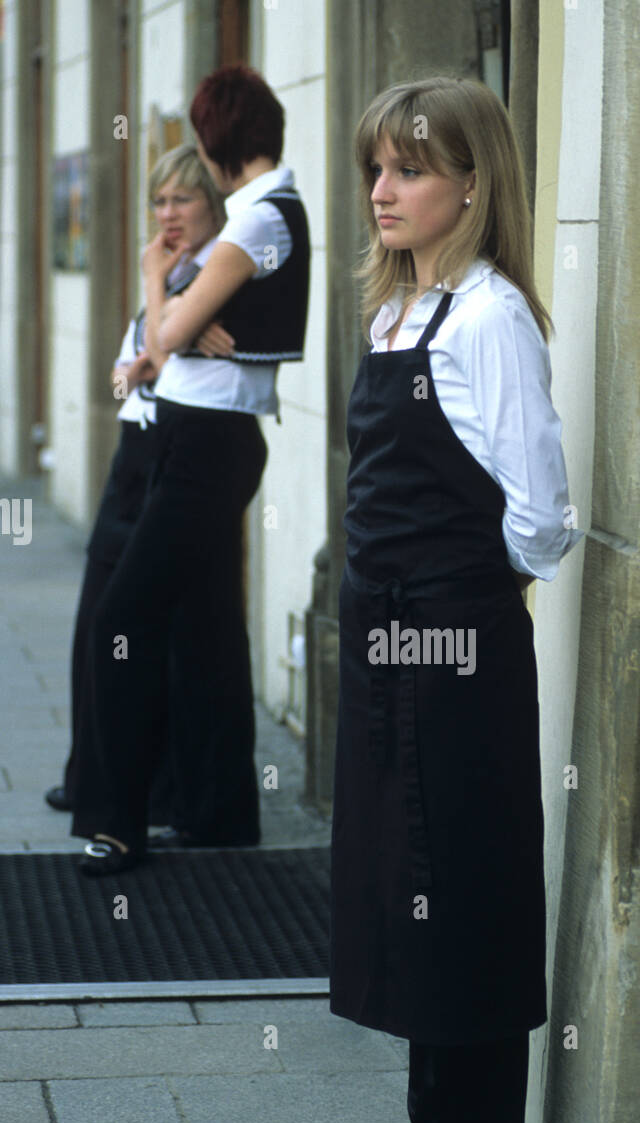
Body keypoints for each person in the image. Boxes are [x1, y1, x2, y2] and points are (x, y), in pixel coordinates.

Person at [329, 75, 584, 1123]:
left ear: (472, 184)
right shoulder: (398, 315)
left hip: (455, 653)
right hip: (387, 655)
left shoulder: (490, 320)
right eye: (378, 167)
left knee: (465, 911)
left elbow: (542, 519)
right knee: (411, 916)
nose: (382, 190)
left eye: (410, 169)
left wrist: (467, 604)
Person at [73, 65, 310, 874]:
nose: (176, 204)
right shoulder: (252, 223)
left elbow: (167, 333)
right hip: (192, 438)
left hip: (205, 448)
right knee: (204, 632)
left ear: (214, 150)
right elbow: (161, 345)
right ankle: (216, 814)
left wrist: (170, 315)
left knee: (121, 620)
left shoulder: (257, 224)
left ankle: (117, 824)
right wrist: (172, 329)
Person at [46, 145, 225, 824]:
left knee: (158, 631)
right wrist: (157, 335)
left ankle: (151, 795)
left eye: (183, 199)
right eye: (159, 201)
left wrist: (161, 324)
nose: (168, 214)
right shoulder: (170, 271)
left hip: (174, 458)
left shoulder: (215, 276)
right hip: (132, 456)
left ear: (214, 204)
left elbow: (160, 351)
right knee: (99, 616)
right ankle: (87, 773)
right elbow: (124, 376)